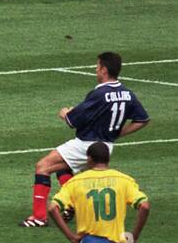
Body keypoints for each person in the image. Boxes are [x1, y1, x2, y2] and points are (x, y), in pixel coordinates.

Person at [25, 51, 149, 227]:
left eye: (97, 66)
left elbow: (72, 120)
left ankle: (39, 217)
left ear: (104, 70)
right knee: (63, 169)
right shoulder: (128, 94)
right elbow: (142, 120)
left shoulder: (99, 94)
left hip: (86, 144)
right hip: (106, 146)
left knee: (43, 167)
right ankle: (71, 205)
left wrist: (65, 113)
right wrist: (117, 133)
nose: (95, 69)